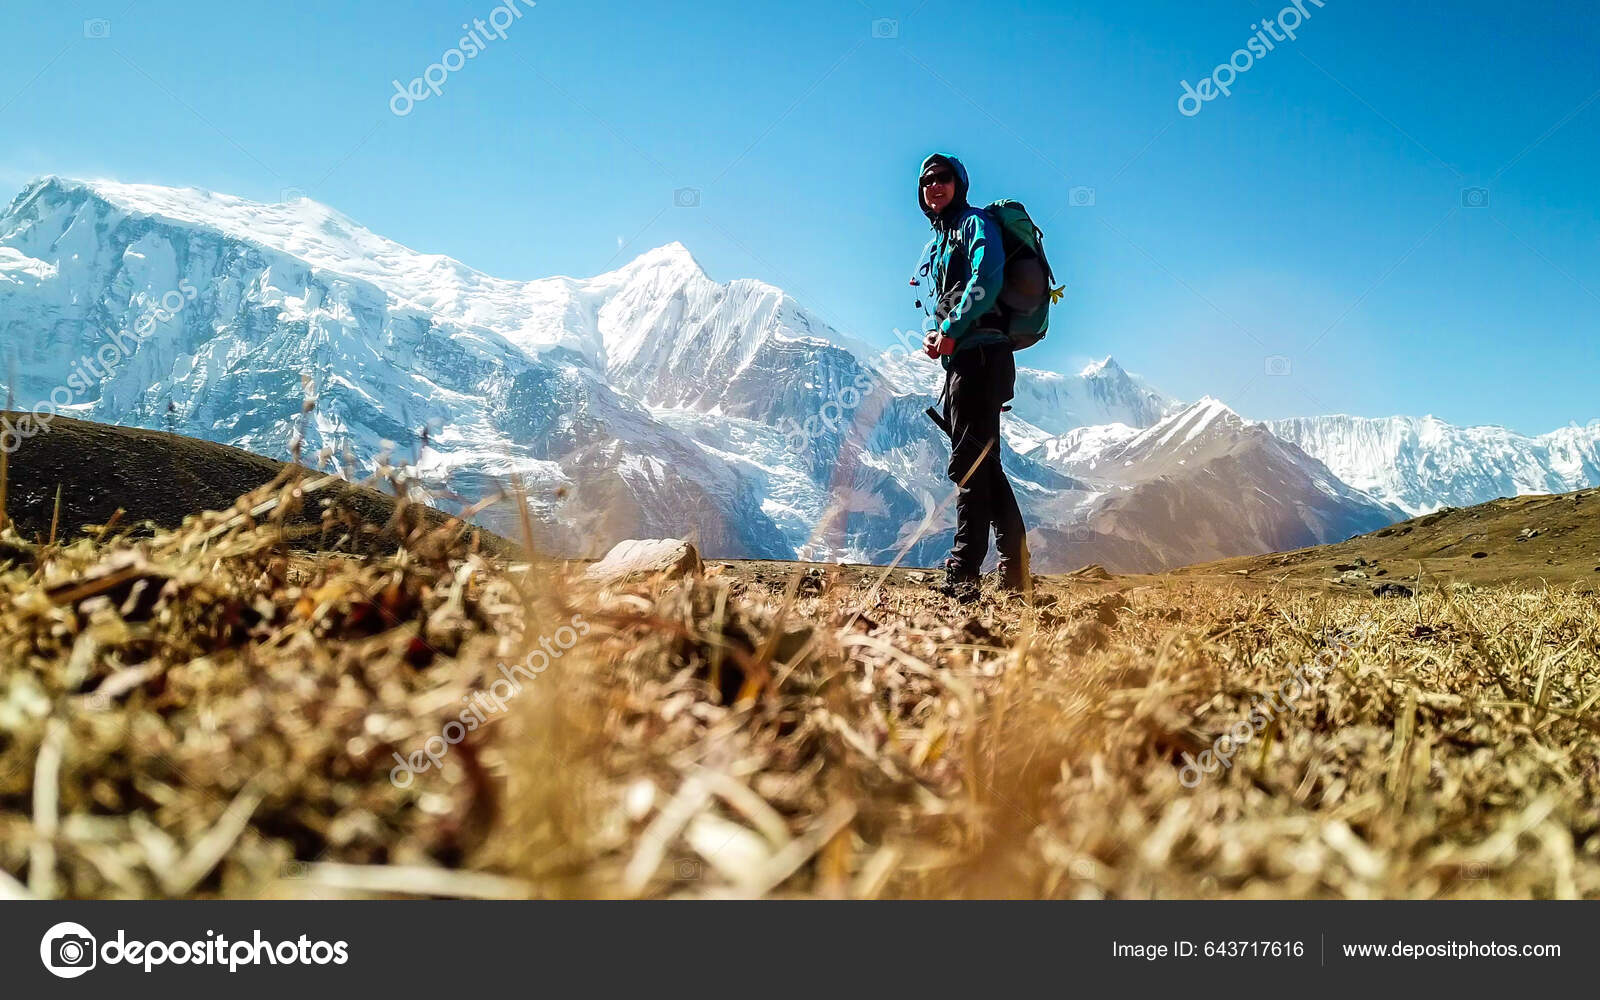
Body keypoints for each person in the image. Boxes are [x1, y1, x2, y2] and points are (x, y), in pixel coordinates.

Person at [915, 153, 1028, 603]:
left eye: (943, 179)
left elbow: (988, 277)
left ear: (959, 184)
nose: (934, 187)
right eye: (926, 182)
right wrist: (938, 335)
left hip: (982, 358)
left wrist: (953, 329)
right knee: (984, 463)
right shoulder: (943, 238)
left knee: (970, 465)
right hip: (969, 359)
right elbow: (952, 296)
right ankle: (1014, 566)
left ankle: (964, 569)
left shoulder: (973, 224)